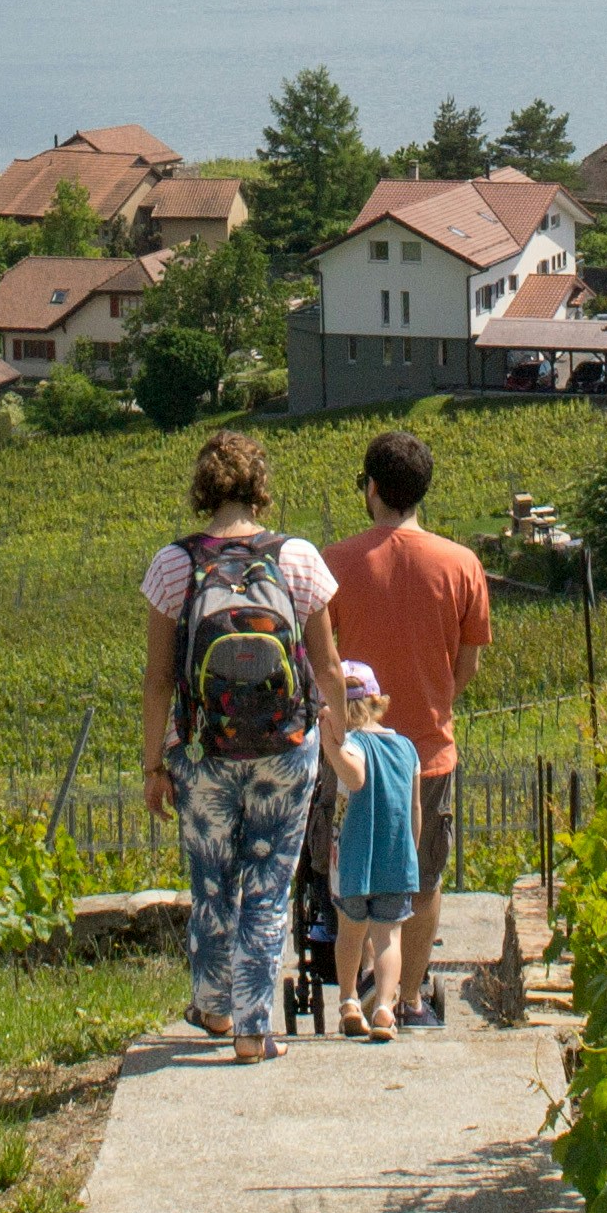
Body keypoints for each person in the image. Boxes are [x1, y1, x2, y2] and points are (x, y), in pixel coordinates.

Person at [142, 427, 346, 1063]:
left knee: (211, 877)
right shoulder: (299, 558)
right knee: (268, 880)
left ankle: (214, 1004)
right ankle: (253, 1027)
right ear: (261, 486)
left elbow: (155, 681)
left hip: (202, 748)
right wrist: (338, 745)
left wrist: (153, 763)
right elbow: (330, 666)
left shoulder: (174, 565)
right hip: (286, 747)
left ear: (203, 487)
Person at [326, 425, 490, 1030]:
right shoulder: (462, 564)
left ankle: (365, 979)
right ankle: (410, 997)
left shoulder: (336, 563)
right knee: (421, 876)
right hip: (427, 751)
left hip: (352, 754)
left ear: (370, 488)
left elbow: (321, 661)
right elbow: (465, 667)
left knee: (352, 870)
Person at [322, 655, 421, 1037]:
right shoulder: (407, 748)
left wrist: (332, 746)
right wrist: (410, 849)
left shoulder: (353, 744)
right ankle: (383, 1006)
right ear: (377, 701)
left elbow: (356, 777)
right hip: (397, 859)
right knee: (388, 937)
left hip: (354, 859)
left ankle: (348, 999)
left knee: (350, 933)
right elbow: (414, 808)